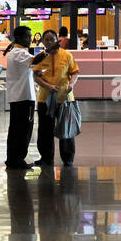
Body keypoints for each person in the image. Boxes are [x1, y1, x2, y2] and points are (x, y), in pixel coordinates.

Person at [33, 29, 78, 166]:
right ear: (42, 42)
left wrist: (71, 84)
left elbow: (75, 73)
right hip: (45, 98)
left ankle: (68, 158)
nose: (49, 42)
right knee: (45, 130)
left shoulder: (66, 55)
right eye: (46, 40)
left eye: (51, 39)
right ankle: (46, 158)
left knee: (66, 129)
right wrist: (47, 86)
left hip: (64, 98)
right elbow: (36, 76)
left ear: (56, 40)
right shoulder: (41, 56)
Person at [3, 26, 40, 170]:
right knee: (24, 131)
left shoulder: (16, 52)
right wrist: (50, 50)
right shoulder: (19, 53)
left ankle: (13, 159)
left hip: (18, 97)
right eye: (27, 36)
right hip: (24, 97)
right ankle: (18, 160)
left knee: (16, 130)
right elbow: (36, 60)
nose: (30, 39)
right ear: (18, 38)